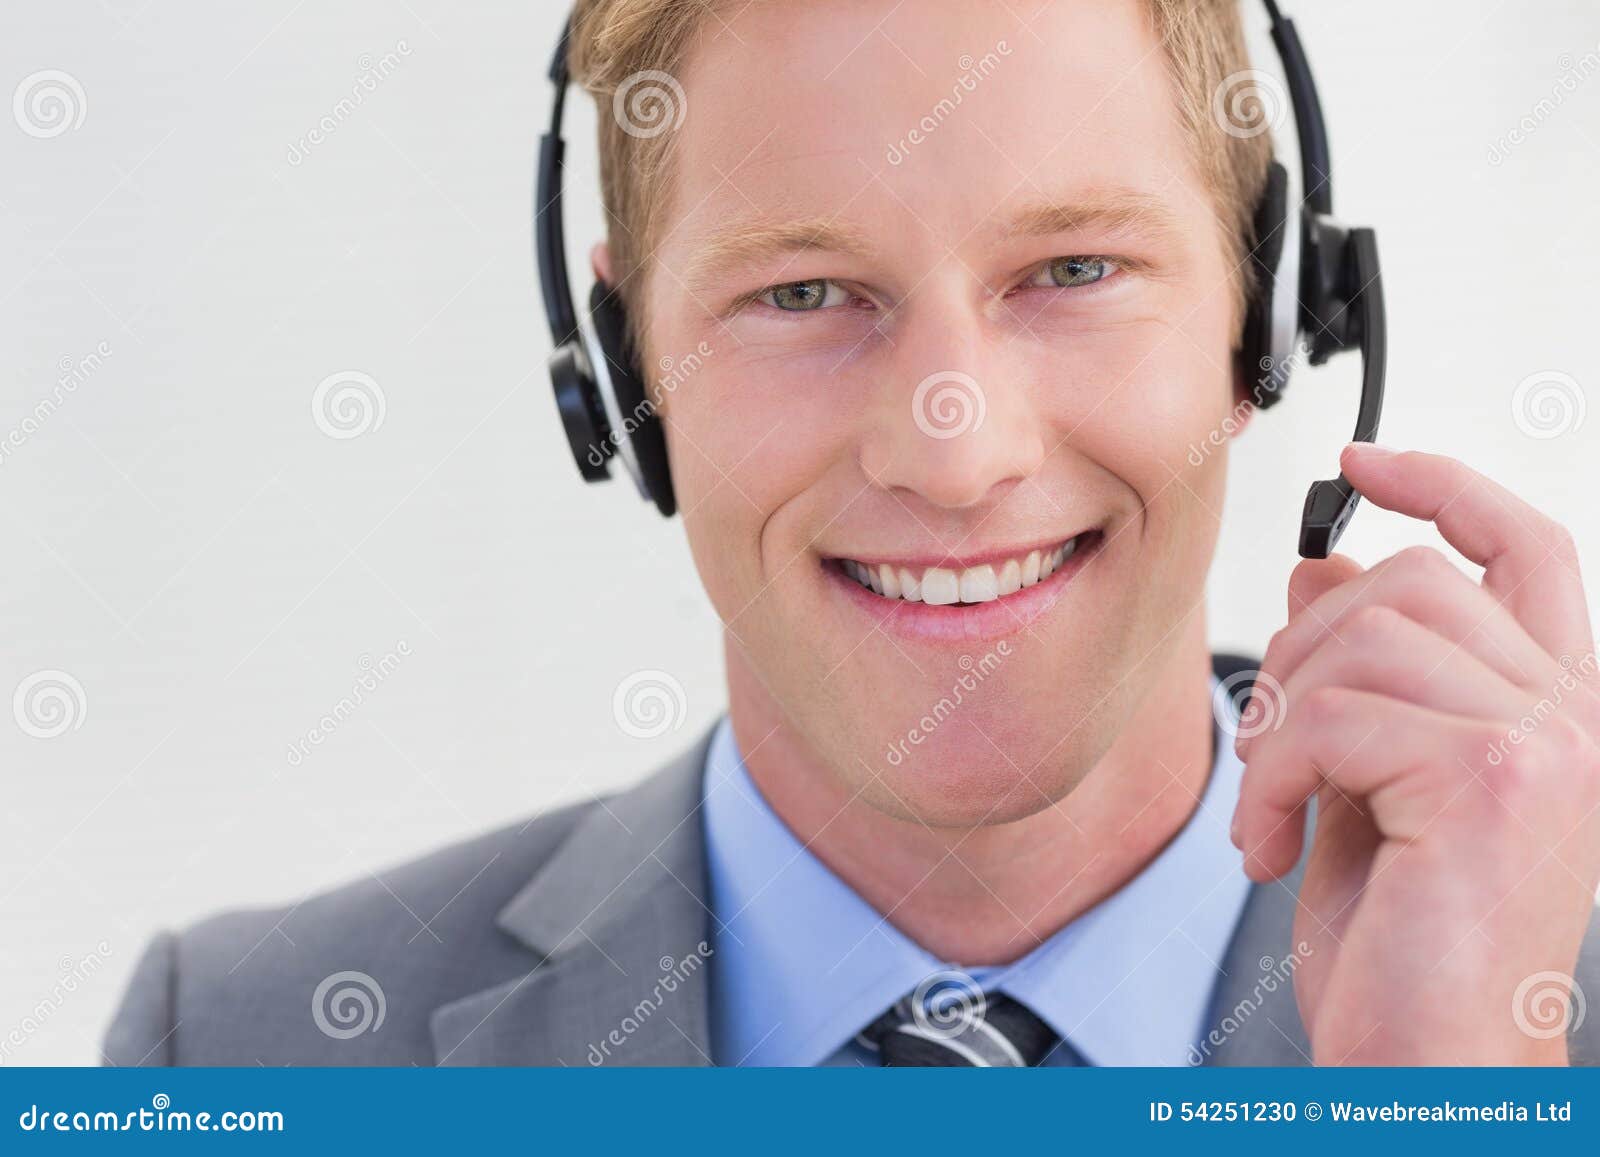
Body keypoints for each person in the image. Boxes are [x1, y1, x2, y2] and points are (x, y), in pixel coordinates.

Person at [105, 0, 1600, 1067]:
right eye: (804, 293)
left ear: (1269, 317)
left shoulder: (1533, 1044)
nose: (952, 452)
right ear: (632, 380)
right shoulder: (240, 1049)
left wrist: (1449, 1089)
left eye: (1072, 266)